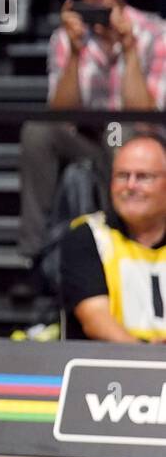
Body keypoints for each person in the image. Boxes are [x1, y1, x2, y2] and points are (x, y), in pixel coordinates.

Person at [19, 0, 166, 288]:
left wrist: (129, 48)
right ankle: (36, 255)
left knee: (124, 128)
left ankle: (122, 250)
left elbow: (146, 117)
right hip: (87, 140)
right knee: (37, 131)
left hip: (141, 143)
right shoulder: (65, 37)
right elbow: (59, 113)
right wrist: (74, 52)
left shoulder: (154, 33)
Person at [61, 134, 166, 342]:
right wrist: (149, 361)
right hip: (110, 366)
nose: (130, 186)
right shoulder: (89, 235)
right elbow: (96, 320)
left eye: (143, 176)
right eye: (122, 176)